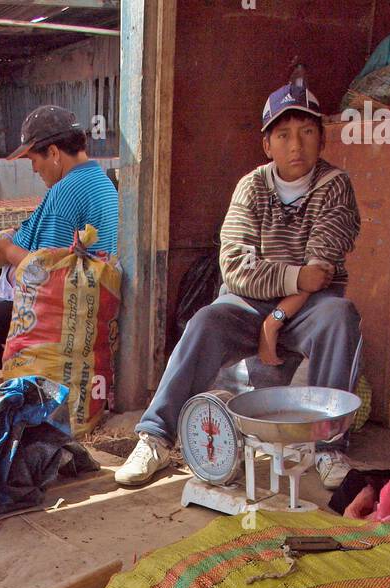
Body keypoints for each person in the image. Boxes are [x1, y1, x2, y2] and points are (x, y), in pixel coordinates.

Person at [115, 76, 362, 487]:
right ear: (267, 145)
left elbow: (320, 273)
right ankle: (156, 437)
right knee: (205, 321)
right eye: (283, 135)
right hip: (247, 303)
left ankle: (329, 447)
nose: (295, 145)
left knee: (340, 314)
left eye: (306, 132)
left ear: (322, 139)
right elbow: (235, 267)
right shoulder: (251, 186)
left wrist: (277, 318)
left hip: (307, 309)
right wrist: (289, 280)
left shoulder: (335, 185)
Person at [0, 106, 119, 369]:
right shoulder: (98, 179)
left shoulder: (66, 191)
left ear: (53, 153)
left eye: (34, 160)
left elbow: (46, 272)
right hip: (85, 297)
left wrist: (7, 251)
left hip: (67, 308)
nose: (33, 169)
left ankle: (26, 383)